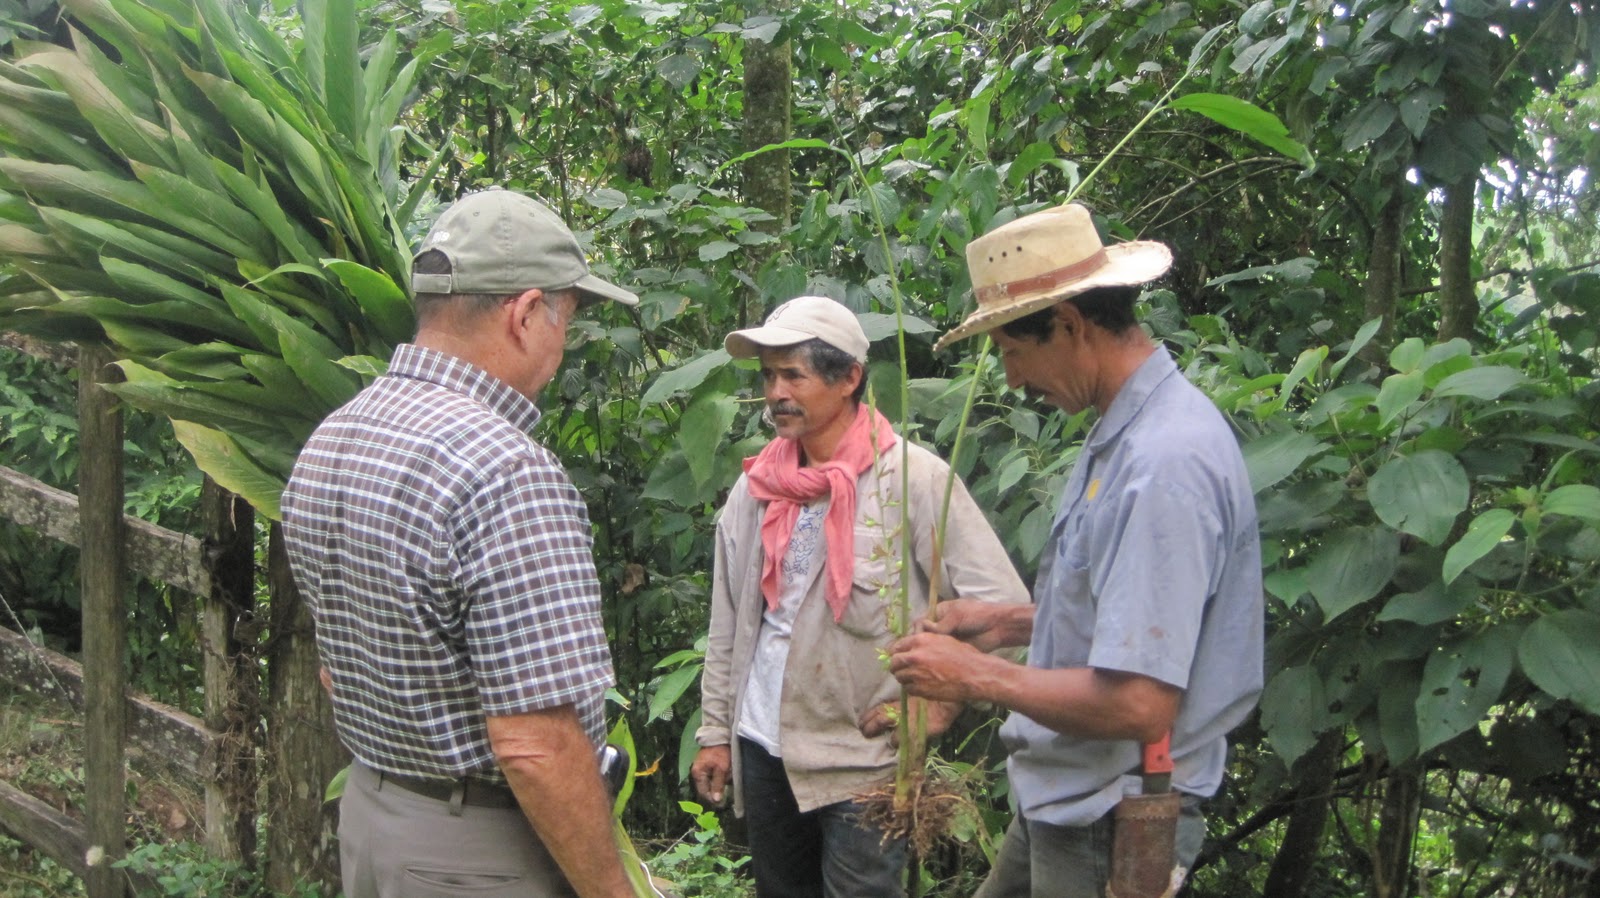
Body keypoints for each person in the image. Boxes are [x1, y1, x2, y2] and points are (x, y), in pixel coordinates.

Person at [888, 203, 1264, 898]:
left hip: (1115, 810)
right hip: (1071, 793)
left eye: (1012, 351)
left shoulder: (1162, 465)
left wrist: (972, 675)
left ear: (1068, 326)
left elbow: (1139, 702)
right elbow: (1137, 611)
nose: (1010, 379)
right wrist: (1004, 623)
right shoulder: (1124, 431)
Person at [281, 187, 639, 898]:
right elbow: (533, 743)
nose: (562, 343)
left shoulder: (338, 434)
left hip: (375, 820)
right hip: (478, 853)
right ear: (526, 313)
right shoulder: (504, 470)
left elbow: (334, 667)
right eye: (566, 318)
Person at [688, 296, 1030, 898]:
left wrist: (940, 705)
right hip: (764, 748)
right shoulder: (757, 485)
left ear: (849, 378)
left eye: (793, 374)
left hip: (866, 760)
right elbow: (732, 619)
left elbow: (1002, 608)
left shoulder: (913, 480)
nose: (775, 393)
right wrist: (716, 730)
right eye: (768, 376)